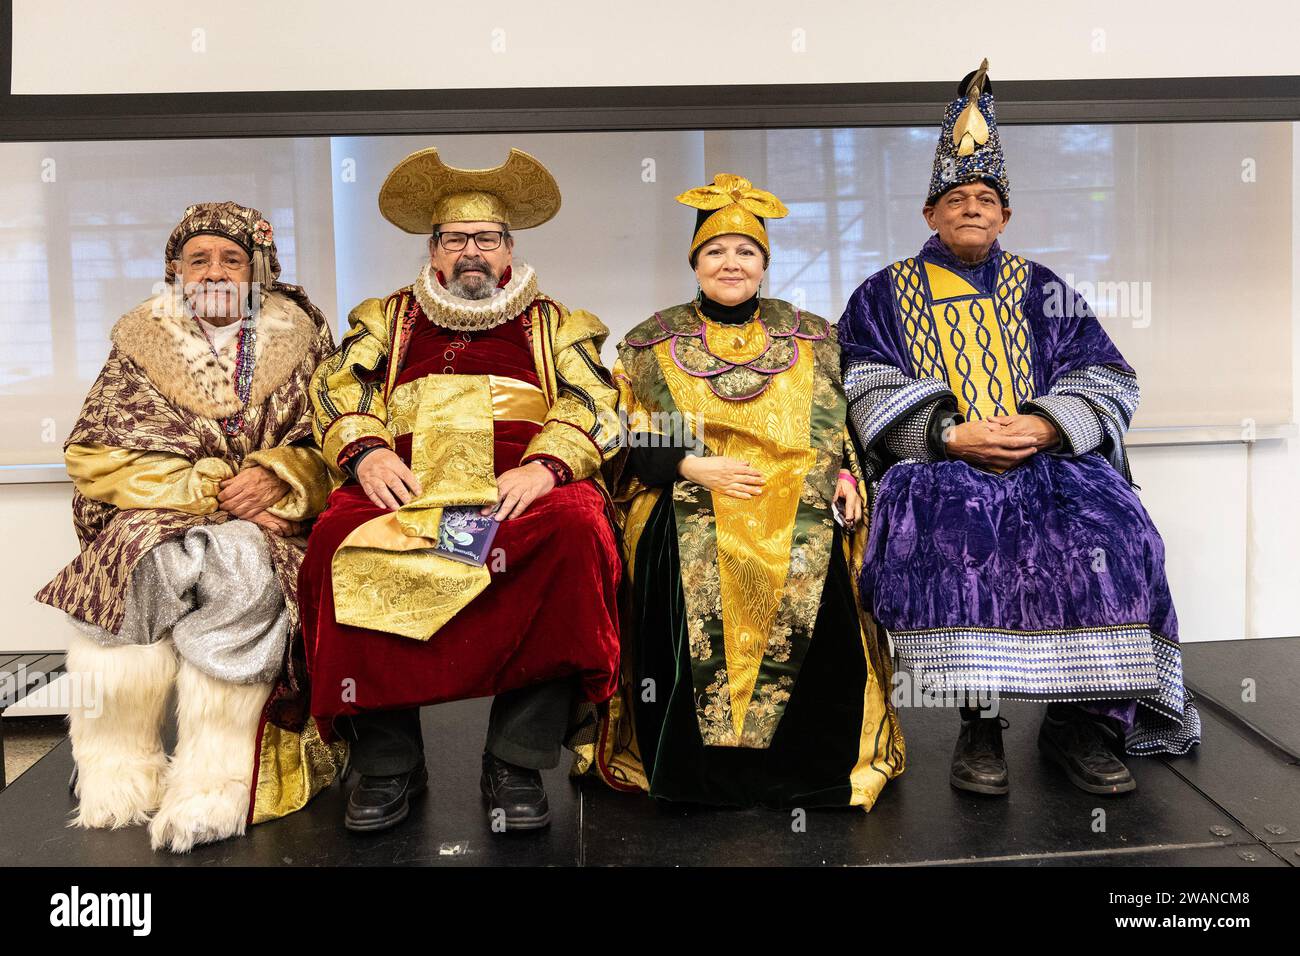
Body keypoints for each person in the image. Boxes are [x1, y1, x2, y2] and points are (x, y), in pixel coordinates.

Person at [838, 61, 1200, 798]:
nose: (971, 209)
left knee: (1118, 535)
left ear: (1005, 216)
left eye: (985, 199)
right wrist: (947, 436)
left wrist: (1043, 425)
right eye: (956, 199)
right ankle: (979, 725)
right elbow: (860, 381)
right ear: (930, 215)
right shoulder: (880, 294)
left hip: (1050, 463)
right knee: (960, 536)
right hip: (939, 464)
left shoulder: (1043, 288)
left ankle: (1082, 725)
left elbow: (1105, 374)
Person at [299, 147, 622, 833]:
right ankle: (389, 763)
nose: (470, 252)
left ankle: (515, 759)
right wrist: (366, 452)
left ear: (509, 251)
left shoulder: (555, 322)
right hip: (408, 490)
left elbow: (596, 400)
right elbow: (336, 387)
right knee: (336, 537)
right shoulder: (385, 319)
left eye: (485, 239)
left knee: (576, 531)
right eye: (454, 240)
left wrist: (549, 467)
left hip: (515, 495)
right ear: (434, 251)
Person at [577, 173, 904, 809]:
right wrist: (692, 467)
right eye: (716, 252)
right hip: (692, 492)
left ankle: (811, 770)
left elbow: (837, 422)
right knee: (673, 565)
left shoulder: (811, 335)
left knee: (828, 583)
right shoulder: (653, 341)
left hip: (798, 494)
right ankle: (700, 776)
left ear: (765, 264)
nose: (731, 263)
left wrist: (842, 475)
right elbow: (630, 431)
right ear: (695, 262)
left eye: (746, 252)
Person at [36, 201, 342, 852]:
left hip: (268, 523)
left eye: (232, 259)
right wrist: (207, 487)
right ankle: (116, 772)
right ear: (175, 269)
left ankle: (220, 778)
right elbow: (96, 454)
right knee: (133, 567)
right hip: (163, 513)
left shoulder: (305, 339)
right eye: (198, 259)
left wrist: (280, 474)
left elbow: (336, 439)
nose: (214, 272)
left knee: (232, 565)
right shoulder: (143, 343)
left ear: (258, 270)